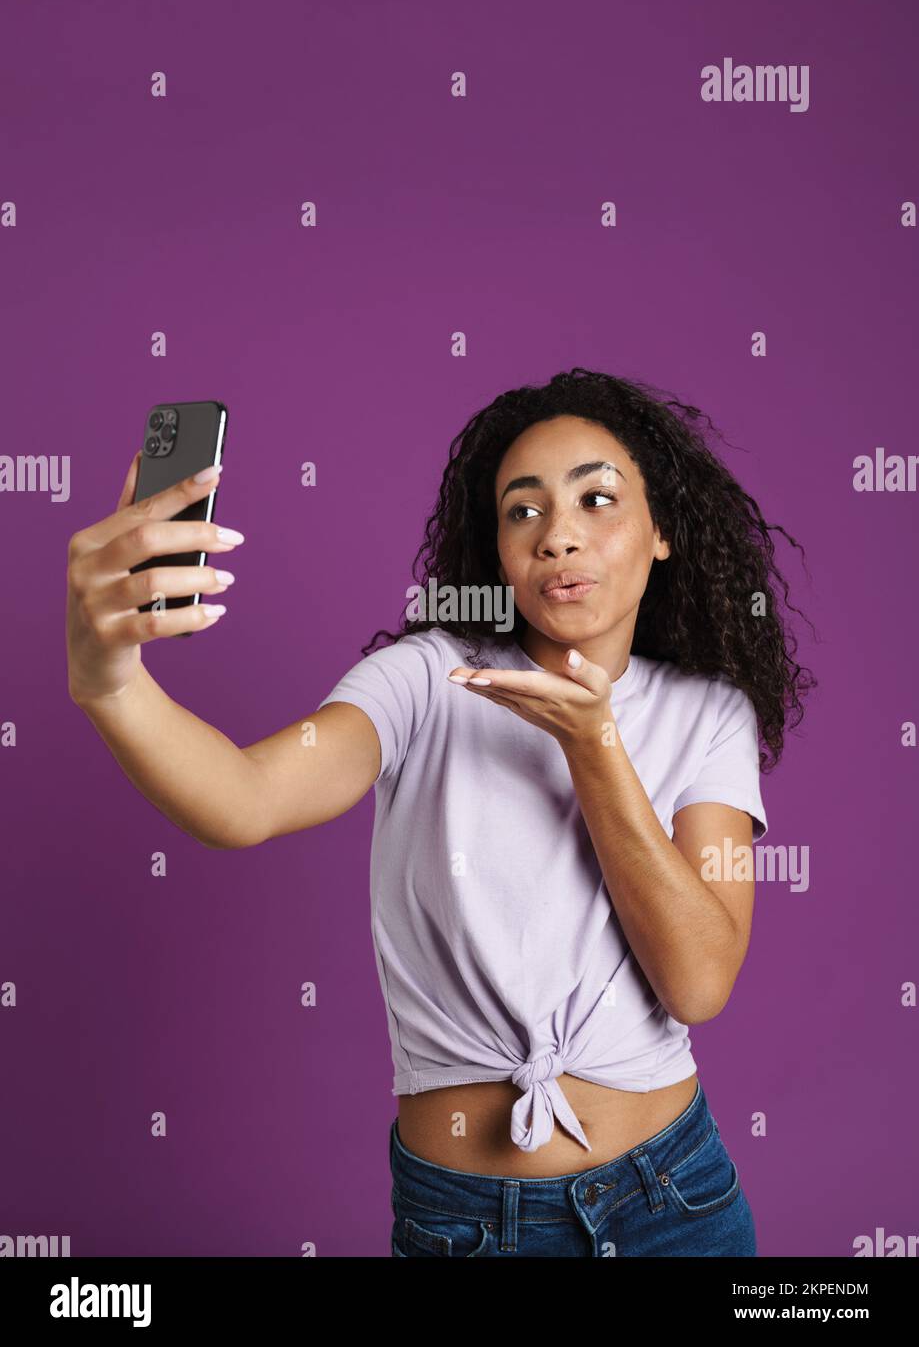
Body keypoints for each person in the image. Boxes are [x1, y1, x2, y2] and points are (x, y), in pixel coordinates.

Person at [66, 368, 815, 1257]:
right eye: (522, 511)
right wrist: (108, 682)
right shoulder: (426, 679)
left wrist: (594, 749)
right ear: (496, 550)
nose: (558, 537)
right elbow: (244, 797)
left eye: (597, 500)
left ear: (660, 533)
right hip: (468, 1224)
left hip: (673, 1202)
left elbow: (698, 979)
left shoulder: (707, 711)